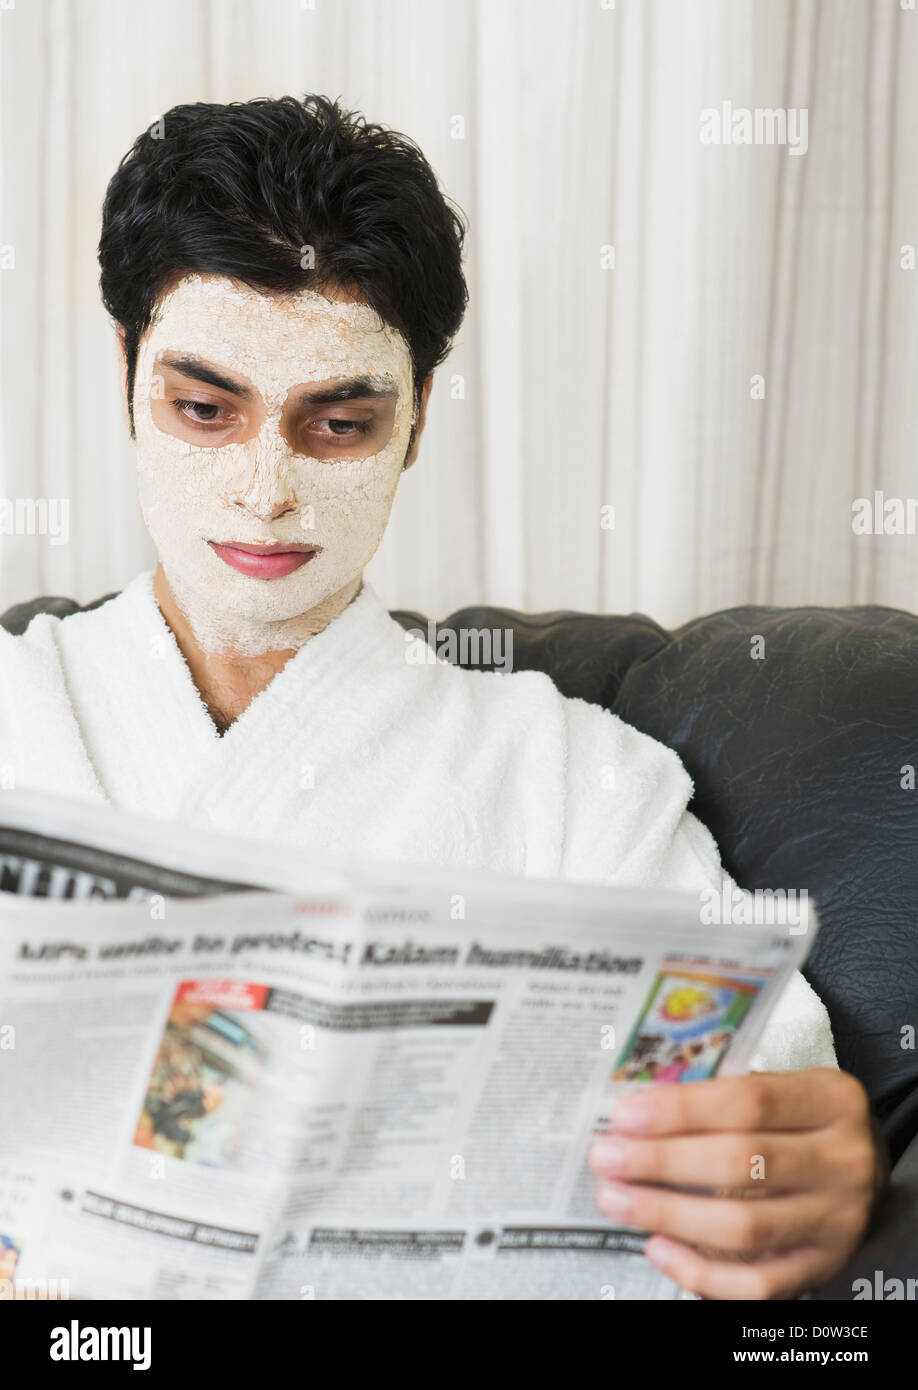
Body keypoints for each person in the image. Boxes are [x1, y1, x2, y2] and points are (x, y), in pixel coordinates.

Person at [0, 95, 882, 1299]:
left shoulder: (571, 781)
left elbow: (764, 1082)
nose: (265, 492)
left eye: (341, 422)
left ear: (415, 419)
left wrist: (812, 1155)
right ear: (125, 377)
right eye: (205, 409)